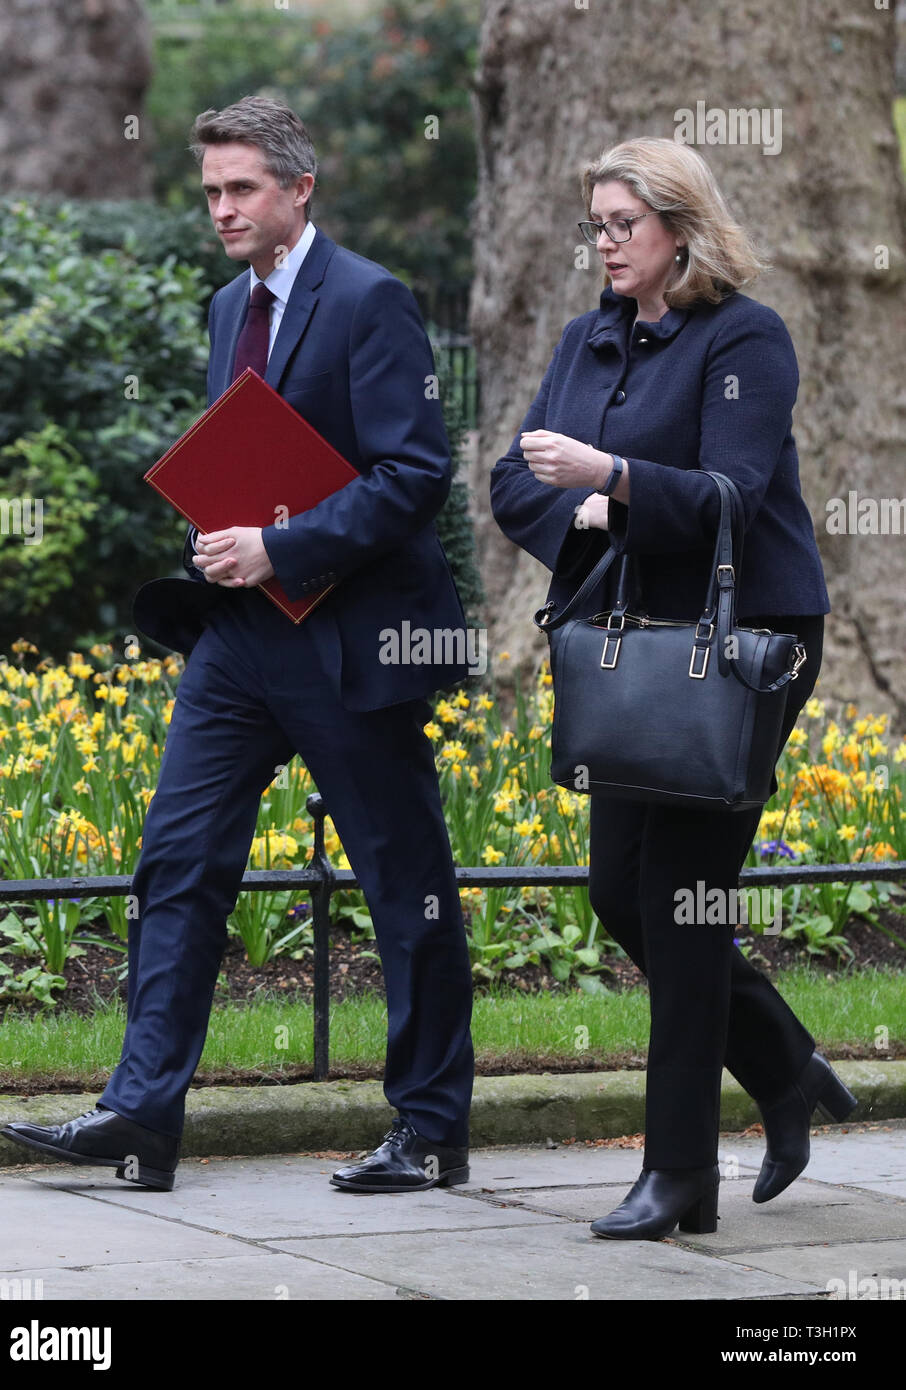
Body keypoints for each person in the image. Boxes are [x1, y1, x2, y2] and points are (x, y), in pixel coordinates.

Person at [2, 96, 475, 1195]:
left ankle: (429, 1126)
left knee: (403, 881)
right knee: (176, 861)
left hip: (352, 640)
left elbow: (415, 476)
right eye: (211, 190)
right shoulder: (230, 305)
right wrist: (222, 543)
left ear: (299, 189)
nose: (221, 208)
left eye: (241, 188)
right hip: (239, 644)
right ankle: (142, 1113)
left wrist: (281, 547)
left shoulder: (371, 300)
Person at [490, 136, 857, 1240]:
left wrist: (608, 482)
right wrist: (582, 507)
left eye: (622, 225)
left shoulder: (743, 334)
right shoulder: (584, 339)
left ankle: (677, 1175)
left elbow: (733, 491)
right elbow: (515, 479)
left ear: (680, 231)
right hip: (633, 638)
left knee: (680, 900)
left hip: (744, 643)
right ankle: (785, 1066)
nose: (603, 243)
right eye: (595, 224)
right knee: (619, 892)